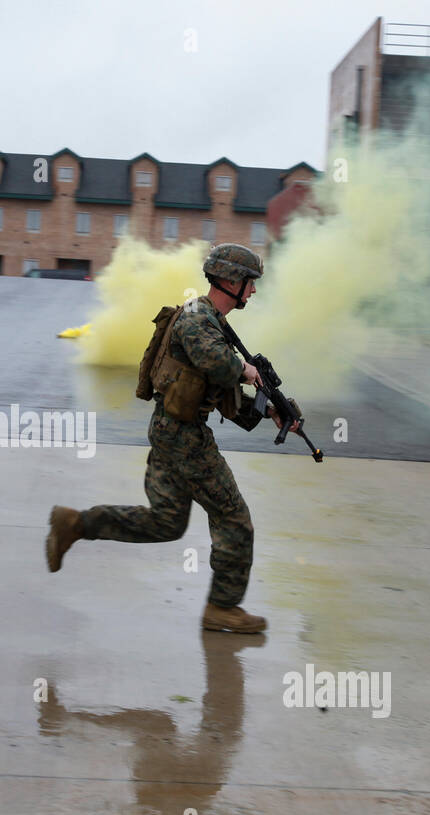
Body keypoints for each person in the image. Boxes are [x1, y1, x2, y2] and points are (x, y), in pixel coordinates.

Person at [46, 243, 288, 633]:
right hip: (184, 436)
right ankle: (222, 607)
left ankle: (75, 524)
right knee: (234, 518)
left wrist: (271, 410)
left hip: (172, 430)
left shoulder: (213, 321)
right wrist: (244, 368)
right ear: (229, 280)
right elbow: (217, 364)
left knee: (166, 522)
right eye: (250, 283)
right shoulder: (196, 318)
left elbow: (217, 390)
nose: (253, 291)